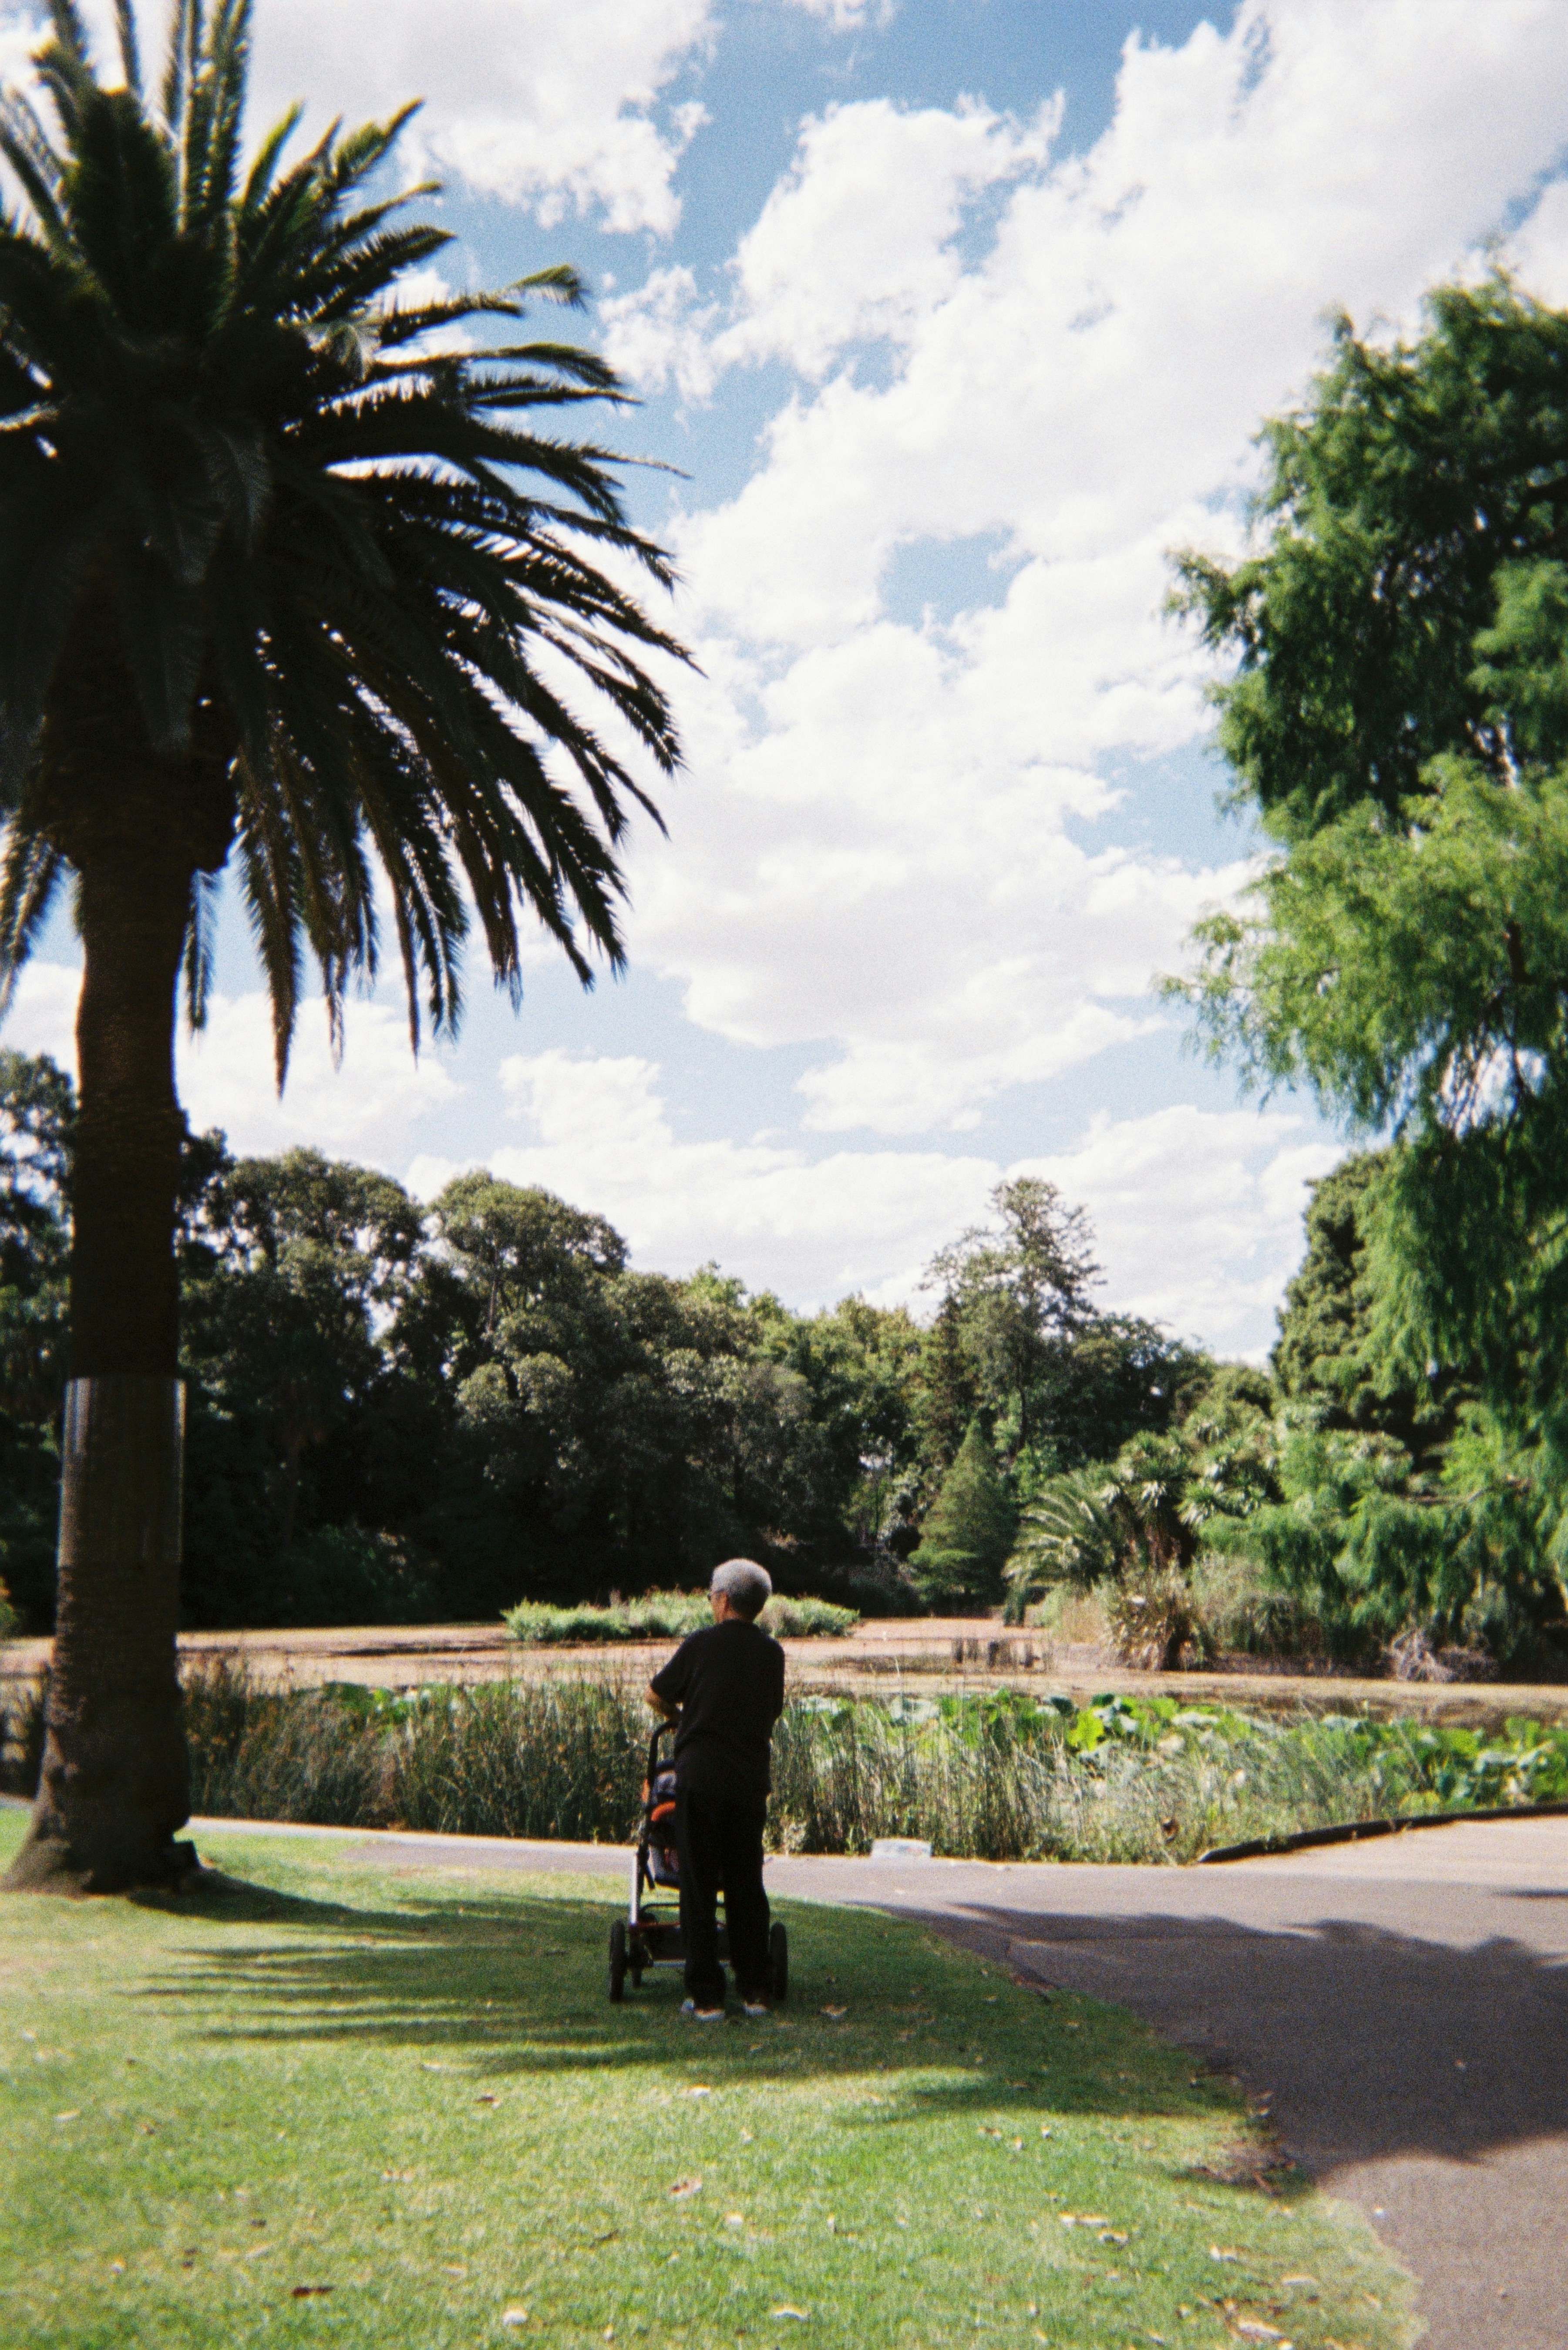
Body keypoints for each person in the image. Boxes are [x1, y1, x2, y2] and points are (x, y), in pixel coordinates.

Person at [647, 1558, 785, 2020]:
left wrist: (682, 1718)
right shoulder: (772, 1654)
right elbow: (771, 1711)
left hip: (700, 1779)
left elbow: (654, 1693)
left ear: (723, 1600)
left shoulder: (699, 1645)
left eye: (711, 1596)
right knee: (746, 1885)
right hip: (747, 1782)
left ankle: (706, 1995)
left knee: (698, 1885)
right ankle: (754, 1991)